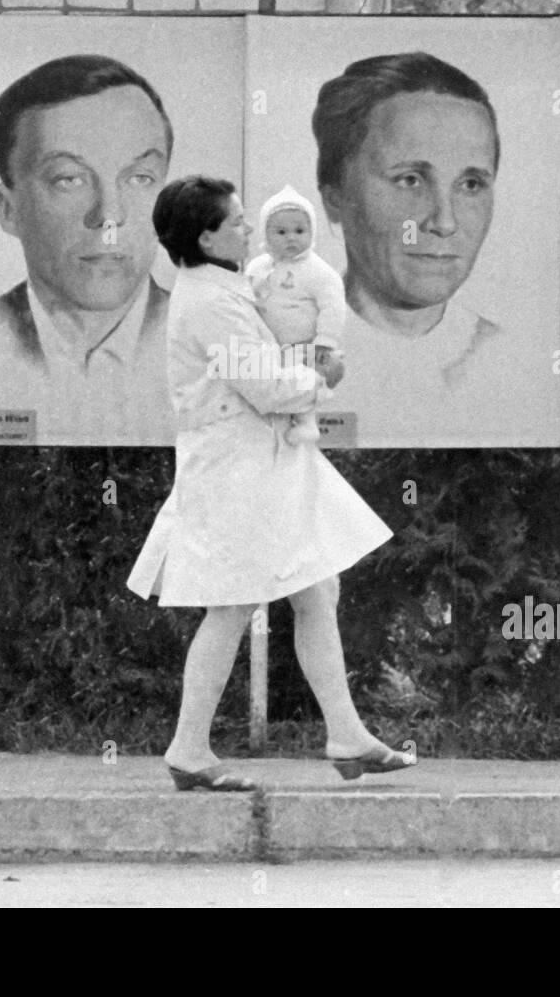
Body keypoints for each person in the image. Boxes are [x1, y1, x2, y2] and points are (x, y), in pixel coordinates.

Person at [126, 175, 413, 790]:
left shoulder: (223, 287)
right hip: (238, 472)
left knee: (316, 588)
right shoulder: (211, 300)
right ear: (206, 236)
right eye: (235, 222)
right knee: (231, 605)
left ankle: (345, 732)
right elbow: (268, 387)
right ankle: (188, 749)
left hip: (263, 464)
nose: (248, 229)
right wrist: (324, 375)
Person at [0, 54, 175, 443]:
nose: (110, 215)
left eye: (140, 178)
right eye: (69, 179)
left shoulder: (206, 340)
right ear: (9, 209)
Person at [311, 51, 501, 442]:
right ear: (335, 195)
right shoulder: (286, 351)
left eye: (470, 186)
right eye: (410, 180)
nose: (444, 222)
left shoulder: (509, 359)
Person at [244, 184, 345, 446]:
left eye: (300, 231)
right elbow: (246, 297)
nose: (291, 238)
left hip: (304, 344)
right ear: (266, 233)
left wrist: (326, 340)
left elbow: (333, 306)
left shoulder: (318, 271)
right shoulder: (257, 267)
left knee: (302, 381)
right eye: (281, 231)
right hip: (267, 345)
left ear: (312, 232)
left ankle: (306, 422)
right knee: (271, 382)